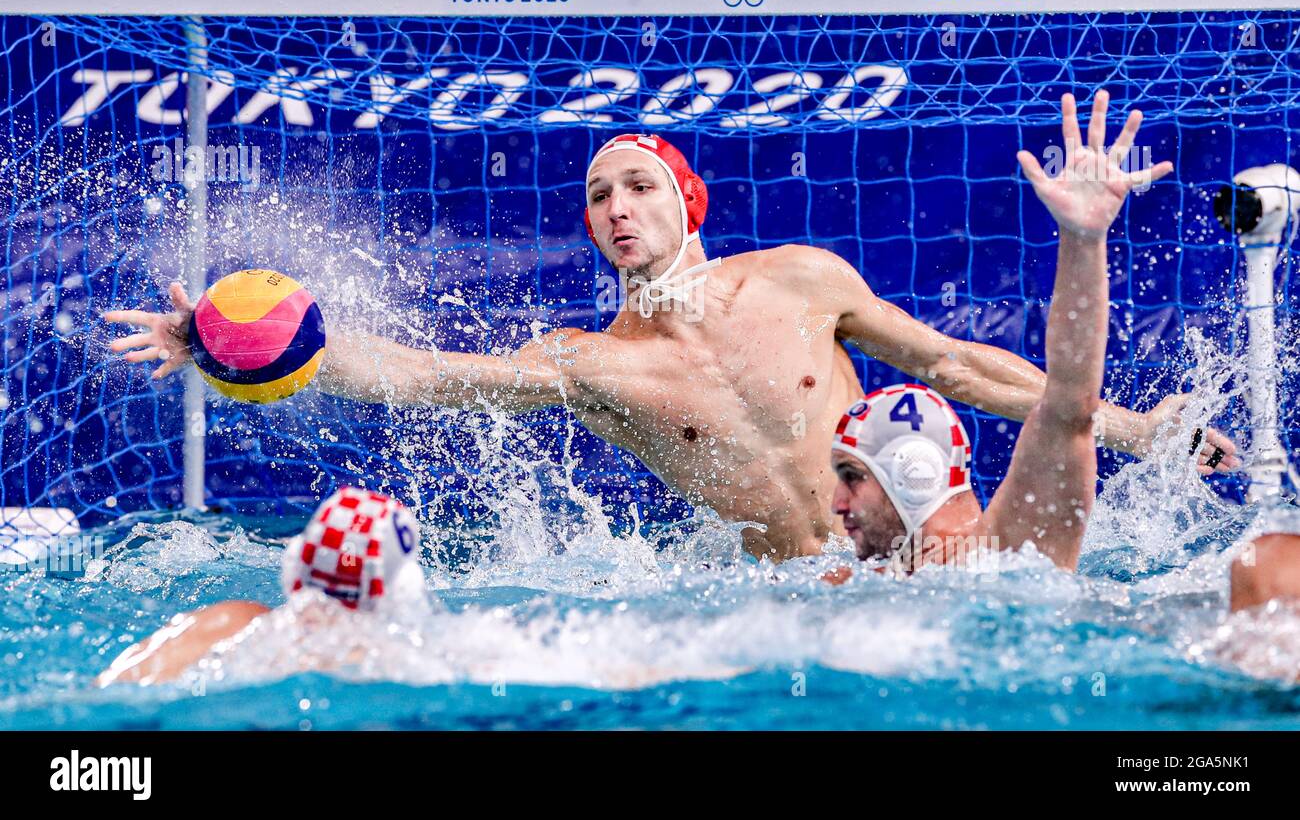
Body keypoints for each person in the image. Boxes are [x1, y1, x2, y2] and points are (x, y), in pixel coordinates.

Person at [106, 91, 1238, 561]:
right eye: (598, 196)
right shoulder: (588, 363)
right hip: (799, 601)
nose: (614, 206)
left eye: (636, 183)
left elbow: (949, 362)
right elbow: (419, 374)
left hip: (922, 570)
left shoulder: (797, 277)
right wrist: (254, 350)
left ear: (683, 199)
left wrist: (1135, 427)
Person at [830, 94, 1238, 573]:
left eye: (851, 477)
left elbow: (1070, 404)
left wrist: (1083, 240)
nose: (835, 503)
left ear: (911, 472)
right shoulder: (844, 586)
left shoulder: (1004, 554)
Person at [96, 487, 426, 687]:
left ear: (294, 567)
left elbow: (106, 691)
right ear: (403, 589)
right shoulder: (405, 664)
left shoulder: (230, 622)